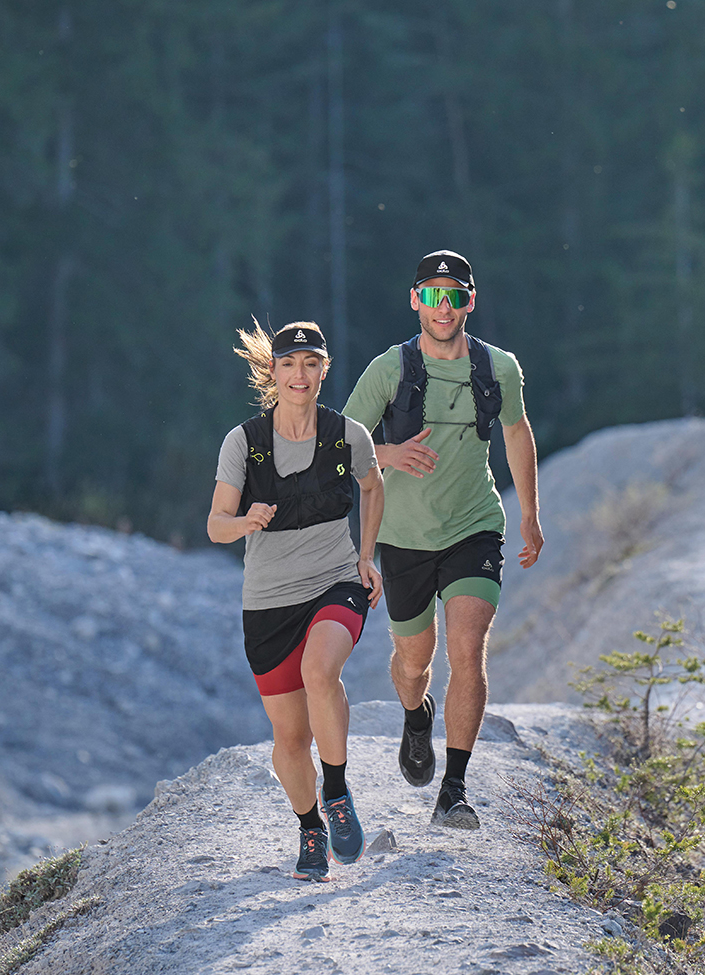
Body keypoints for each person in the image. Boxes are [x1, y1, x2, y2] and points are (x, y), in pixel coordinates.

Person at [344, 250, 542, 829]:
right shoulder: (391, 369)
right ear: (415, 301)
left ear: (469, 303)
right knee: (413, 660)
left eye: (453, 296)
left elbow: (517, 431)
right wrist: (389, 453)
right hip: (403, 537)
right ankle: (415, 714)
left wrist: (530, 513)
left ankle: (453, 789)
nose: (443, 306)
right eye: (432, 295)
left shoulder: (498, 368)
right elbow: (338, 444)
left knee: (465, 650)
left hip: (474, 527)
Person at [207, 320, 385, 881]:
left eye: (311, 364)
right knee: (290, 737)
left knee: (320, 670)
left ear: (324, 370)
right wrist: (245, 521)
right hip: (267, 605)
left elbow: (374, 487)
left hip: (335, 582)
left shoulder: (348, 435)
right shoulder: (244, 442)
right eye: (289, 364)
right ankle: (310, 829)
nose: (300, 374)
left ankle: (336, 792)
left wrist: (366, 555)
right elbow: (215, 526)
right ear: (274, 372)